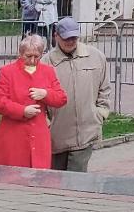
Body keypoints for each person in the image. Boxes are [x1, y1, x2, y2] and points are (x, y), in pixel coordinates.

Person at [0, 33, 66, 169]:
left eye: (37, 56)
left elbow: (61, 98)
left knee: (39, 177)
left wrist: (46, 94)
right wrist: (22, 110)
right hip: (13, 135)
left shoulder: (48, 71)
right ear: (20, 53)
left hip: (39, 135)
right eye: (28, 56)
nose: (32, 60)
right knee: (12, 178)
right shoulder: (8, 71)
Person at [47, 17, 111, 172]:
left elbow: (105, 88)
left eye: (74, 38)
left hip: (85, 132)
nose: (70, 41)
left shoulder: (96, 57)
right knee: (56, 179)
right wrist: (46, 123)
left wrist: (100, 113)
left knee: (77, 181)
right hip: (56, 133)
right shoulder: (46, 62)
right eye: (66, 38)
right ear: (56, 36)